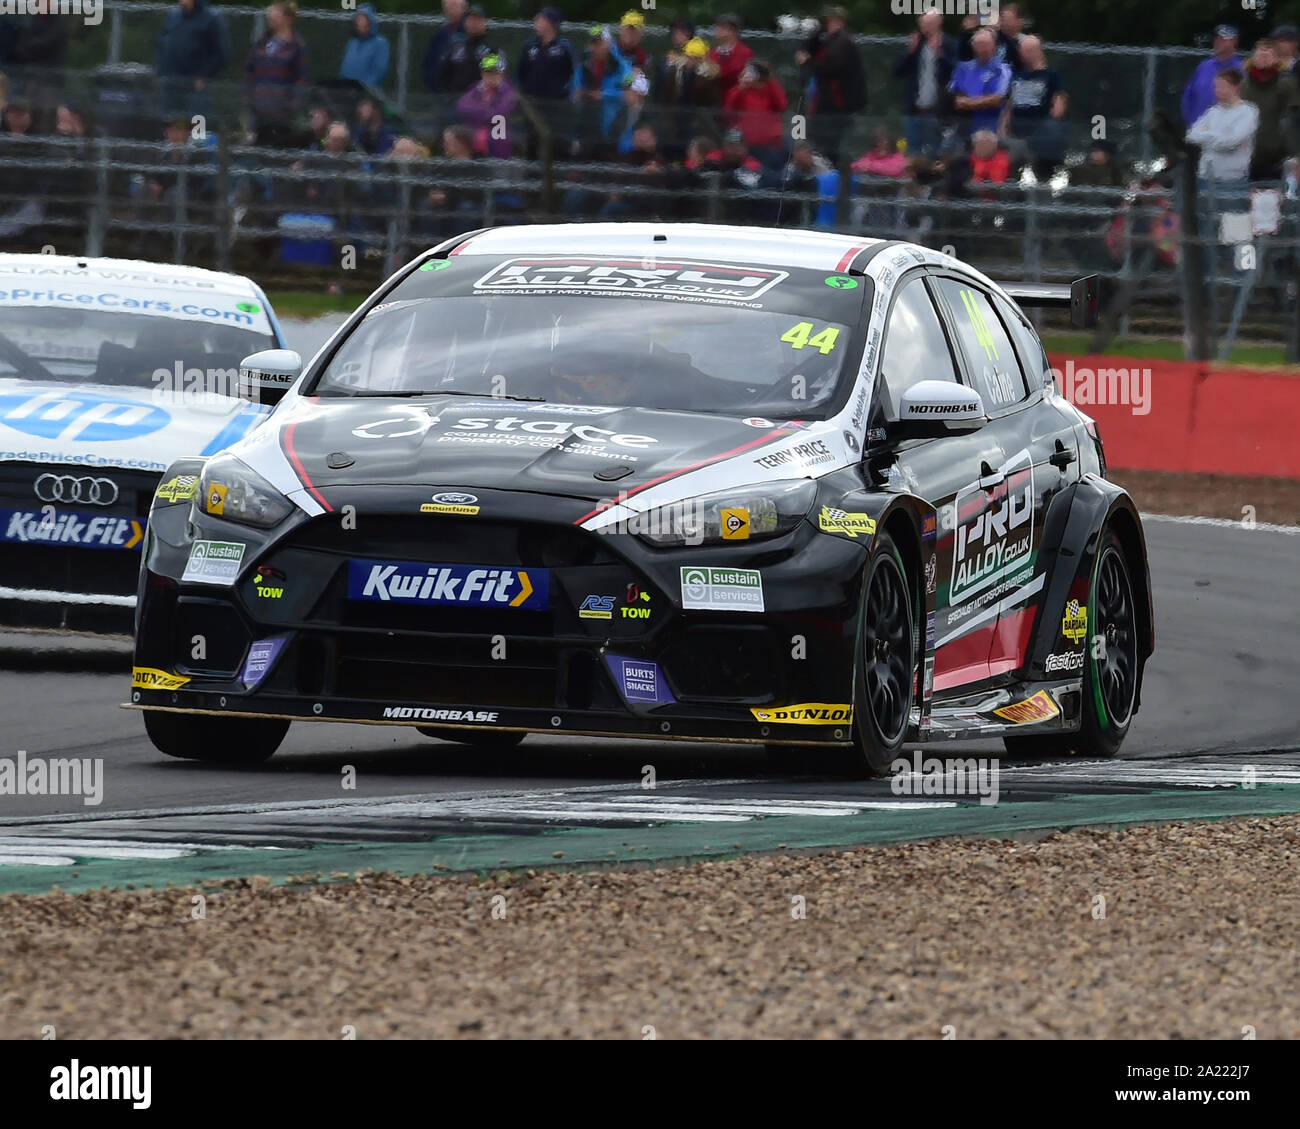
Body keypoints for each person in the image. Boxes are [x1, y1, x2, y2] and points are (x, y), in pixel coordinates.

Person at [796, 6, 866, 167]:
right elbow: (809, 48)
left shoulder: (843, 42)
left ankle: (834, 175)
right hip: (823, 103)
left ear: (840, 22)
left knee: (831, 146)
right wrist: (814, 32)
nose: (827, 25)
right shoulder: (828, 40)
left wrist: (807, 62)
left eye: (830, 21)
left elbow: (830, 67)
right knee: (818, 141)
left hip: (837, 104)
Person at [1001, 34, 1066, 179]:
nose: (1025, 54)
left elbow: (1059, 103)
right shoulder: (1016, 76)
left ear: (1038, 51)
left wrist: (1048, 128)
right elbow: (1008, 105)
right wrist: (1003, 129)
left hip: (1040, 135)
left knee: (1042, 175)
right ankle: (1012, 199)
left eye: (1029, 50)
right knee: (1009, 171)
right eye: (1023, 50)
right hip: (1016, 134)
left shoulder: (1051, 75)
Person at [894, 9, 957, 159]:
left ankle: (934, 181)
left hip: (938, 113)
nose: (924, 28)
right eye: (922, 24)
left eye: (928, 24)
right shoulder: (917, 44)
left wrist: (940, 55)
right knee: (913, 154)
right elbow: (898, 72)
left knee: (935, 154)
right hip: (915, 111)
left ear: (938, 23)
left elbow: (956, 74)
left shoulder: (950, 44)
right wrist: (910, 52)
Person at [155, 0, 230, 122]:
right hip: (170, 82)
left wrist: (204, 75)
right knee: (170, 123)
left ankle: (197, 141)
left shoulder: (211, 18)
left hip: (195, 84)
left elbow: (221, 54)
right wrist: (160, 71)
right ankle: (172, 141)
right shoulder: (174, 16)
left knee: (197, 124)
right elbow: (161, 45)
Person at [245, 2, 308, 146]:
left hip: (281, 112)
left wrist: (292, 105)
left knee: (278, 147)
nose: (270, 17)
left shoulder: (296, 46)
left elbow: (300, 79)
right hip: (258, 109)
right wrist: (248, 94)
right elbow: (250, 69)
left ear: (287, 18)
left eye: (275, 14)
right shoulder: (262, 42)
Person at [1241, 38, 1299, 180]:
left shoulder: (1287, 84)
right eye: (1260, 53)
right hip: (1245, 159)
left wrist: (1296, 155)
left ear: (1277, 59)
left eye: (1269, 54)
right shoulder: (1243, 86)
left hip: (1278, 159)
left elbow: (1294, 120)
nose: (1264, 57)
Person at [1186, 68, 1258, 185]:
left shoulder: (1248, 112)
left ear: (1235, 88)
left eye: (1222, 87)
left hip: (1232, 179)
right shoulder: (1212, 111)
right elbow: (1191, 136)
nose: (1217, 90)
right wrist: (1221, 135)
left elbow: (1231, 142)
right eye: (1216, 87)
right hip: (1205, 177)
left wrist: (1206, 135)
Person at [572, 25, 631, 157]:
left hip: (613, 125)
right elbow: (575, 89)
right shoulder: (583, 64)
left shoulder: (623, 66)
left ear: (608, 44)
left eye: (598, 43)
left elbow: (630, 94)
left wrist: (604, 95)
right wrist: (578, 94)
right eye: (592, 43)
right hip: (587, 124)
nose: (594, 48)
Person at [722, 60, 787, 168]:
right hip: (745, 142)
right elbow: (728, 110)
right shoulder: (740, 90)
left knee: (768, 170)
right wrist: (741, 87)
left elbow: (782, 106)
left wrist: (768, 80)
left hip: (768, 142)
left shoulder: (770, 88)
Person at [948, 28, 1010, 138]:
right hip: (963, 127)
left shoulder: (1002, 70)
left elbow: (998, 99)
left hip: (990, 128)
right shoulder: (963, 68)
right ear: (973, 46)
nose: (982, 49)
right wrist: (978, 101)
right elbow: (952, 96)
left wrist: (969, 103)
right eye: (978, 44)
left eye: (985, 44)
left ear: (995, 47)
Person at [456, 52, 517, 158]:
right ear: (482, 74)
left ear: (502, 74)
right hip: (473, 146)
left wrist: (476, 113)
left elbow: (500, 114)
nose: (491, 76)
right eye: (487, 72)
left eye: (495, 72)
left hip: (499, 147)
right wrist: (487, 111)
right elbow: (462, 107)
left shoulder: (508, 91)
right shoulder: (475, 89)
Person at [1181, 24, 1243, 128]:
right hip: (1198, 134)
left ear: (1234, 42)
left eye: (1223, 39)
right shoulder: (1203, 66)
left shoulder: (1242, 69)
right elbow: (1188, 97)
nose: (1218, 41)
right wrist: (1191, 124)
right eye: (1216, 38)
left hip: (1227, 136)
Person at [442, 5, 496, 97]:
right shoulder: (457, 47)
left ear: (484, 23)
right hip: (455, 103)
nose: (473, 23)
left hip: (478, 104)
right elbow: (444, 75)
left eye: (477, 19)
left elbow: (491, 81)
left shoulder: (491, 51)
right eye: (470, 19)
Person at [958, 3, 1023, 71]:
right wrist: (966, 33)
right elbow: (963, 57)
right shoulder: (976, 39)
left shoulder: (1007, 41)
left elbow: (1016, 63)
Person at [339, 5, 390, 90]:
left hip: (366, 93)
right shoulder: (352, 42)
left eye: (363, 19)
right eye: (358, 19)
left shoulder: (380, 43)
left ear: (370, 22)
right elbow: (345, 66)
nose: (360, 23)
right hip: (346, 91)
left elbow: (379, 70)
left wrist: (365, 88)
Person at [422, 0, 467, 93]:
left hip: (465, 94)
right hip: (440, 93)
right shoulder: (440, 35)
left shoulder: (471, 33)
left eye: (454, 6)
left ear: (464, 8)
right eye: (447, 6)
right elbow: (429, 62)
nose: (450, 10)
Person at [709, 14, 753, 98]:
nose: (717, 30)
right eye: (717, 27)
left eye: (722, 27)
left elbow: (734, 71)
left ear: (734, 32)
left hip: (735, 99)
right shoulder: (713, 52)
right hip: (713, 98)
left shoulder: (745, 52)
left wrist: (712, 69)